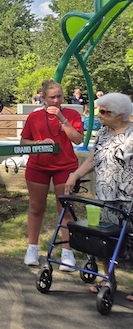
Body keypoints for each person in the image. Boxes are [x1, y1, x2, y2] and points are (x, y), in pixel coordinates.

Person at [64, 92, 133, 302]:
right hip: (103, 196)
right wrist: (75, 174)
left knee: (130, 241)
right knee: (104, 239)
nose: (100, 115)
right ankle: (107, 279)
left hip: (128, 198)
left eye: (105, 112)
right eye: (99, 110)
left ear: (120, 114)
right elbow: (93, 159)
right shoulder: (103, 133)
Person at [20, 79, 84, 270]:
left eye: (59, 96)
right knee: (36, 207)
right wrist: (39, 144)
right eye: (52, 97)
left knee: (65, 208)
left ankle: (67, 253)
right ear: (43, 97)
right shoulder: (35, 116)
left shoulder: (71, 114)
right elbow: (24, 142)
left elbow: (78, 139)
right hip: (38, 166)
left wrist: (62, 120)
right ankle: (32, 248)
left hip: (65, 166)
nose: (56, 101)